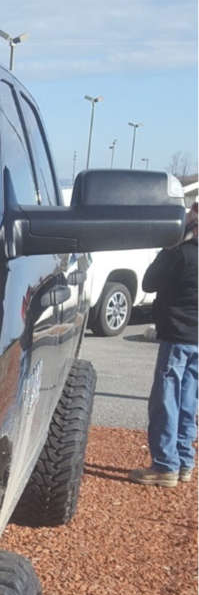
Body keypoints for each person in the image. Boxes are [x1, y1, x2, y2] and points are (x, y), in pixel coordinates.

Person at [129, 201, 198, 487]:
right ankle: (183, 462)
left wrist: (171, 244)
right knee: (188, 400)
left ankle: (165, 465)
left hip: (177, 336)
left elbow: (148, 282)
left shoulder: (180, 254)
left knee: (166, 400)